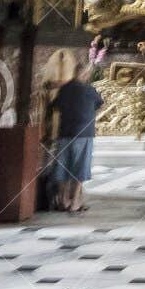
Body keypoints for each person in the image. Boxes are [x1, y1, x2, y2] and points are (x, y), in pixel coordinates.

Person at [51, 60, 104, 214]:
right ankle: (75, 202)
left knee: (62, 166)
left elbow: (55, 107)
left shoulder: (64, 90)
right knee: (80, 167)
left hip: (64, 133)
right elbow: (100, 105)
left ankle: (63, 200)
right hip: (84, 134)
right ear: (86, 74)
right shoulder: (90, 90)